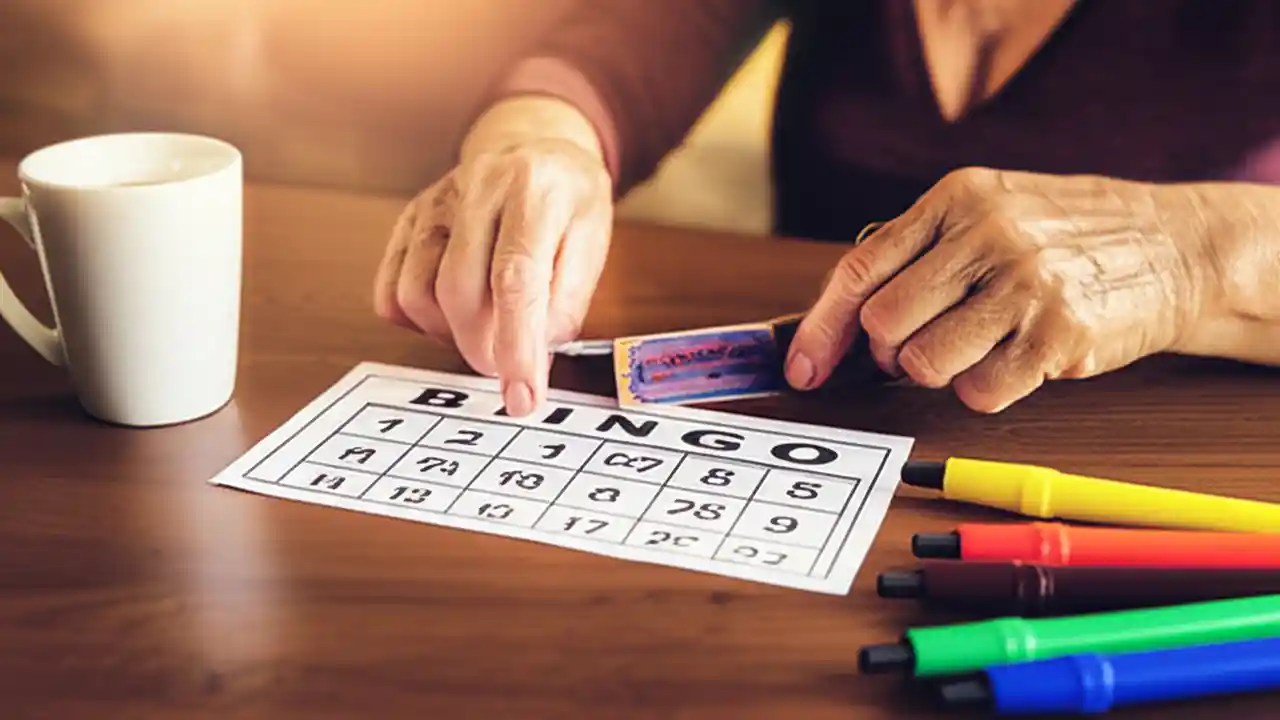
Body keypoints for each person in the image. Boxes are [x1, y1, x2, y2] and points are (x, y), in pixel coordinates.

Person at [372, 0, 1280, 418]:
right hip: (804, 440)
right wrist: (541, 140)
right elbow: (620, 44)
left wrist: (1189, 255)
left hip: (1144, 484)